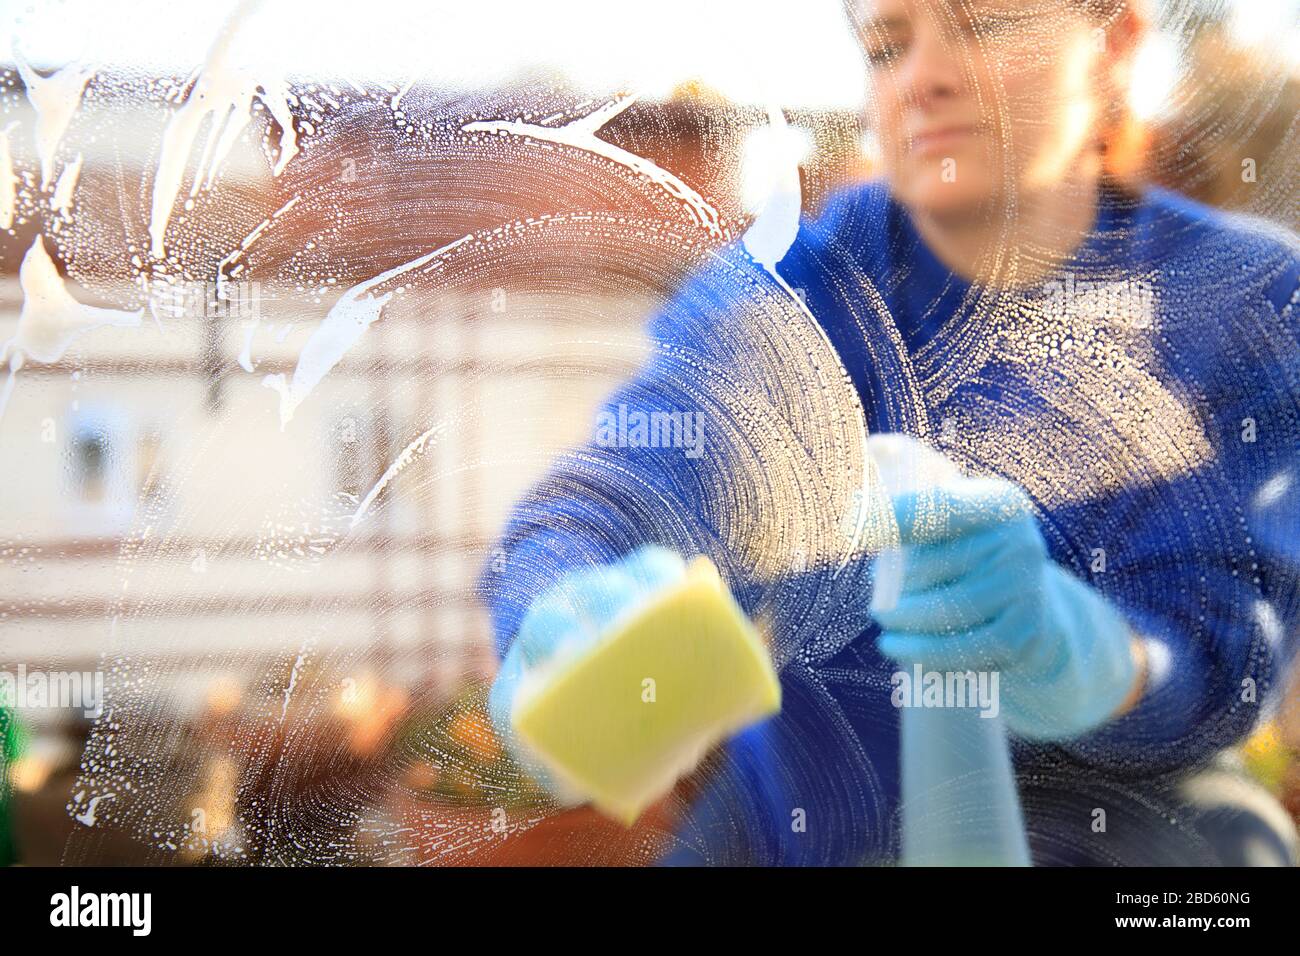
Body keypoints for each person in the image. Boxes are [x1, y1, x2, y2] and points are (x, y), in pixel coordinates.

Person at [481, 0, 1300, 865]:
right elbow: (614, 494)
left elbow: (1225, 653)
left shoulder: (1244, 305)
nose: (924, 79)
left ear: (1115, 45)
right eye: (885, 45)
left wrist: (1088, 655)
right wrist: (561, 609)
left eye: (984, 27)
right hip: (800, 826)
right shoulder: (789, 294)